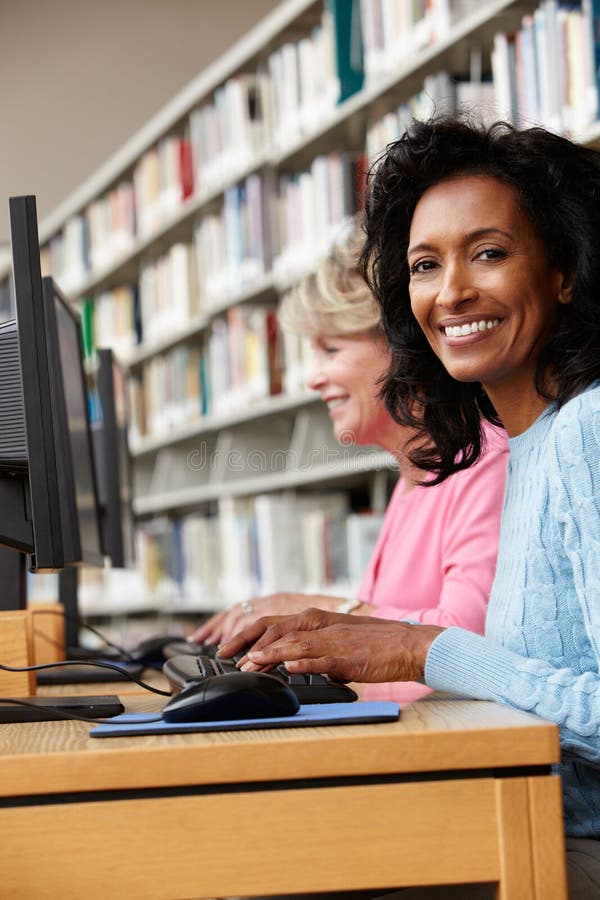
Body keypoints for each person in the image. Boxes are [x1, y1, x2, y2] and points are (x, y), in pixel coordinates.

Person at [218, 116, 600, 899]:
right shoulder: (521, 442)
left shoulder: (585, 432)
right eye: (426, 264)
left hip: (561, 842)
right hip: (514, 813)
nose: (453, 291)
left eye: (489, 253)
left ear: (562, 271)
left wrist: (424, 649)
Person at [189, 222, 508, 705]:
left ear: (402, 348)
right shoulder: (414, 474)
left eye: (331, 349)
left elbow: (467, 647)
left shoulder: (483, 461)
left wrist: (320, 611)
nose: (313, 379)